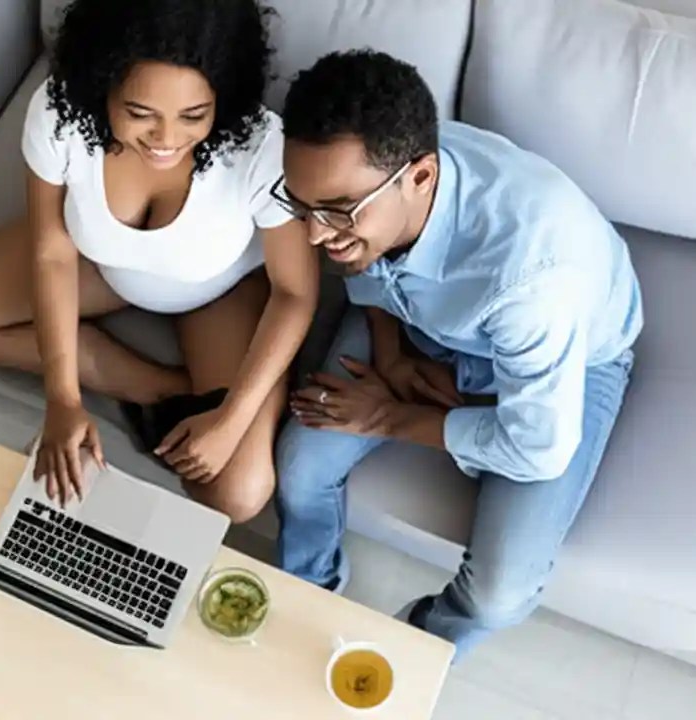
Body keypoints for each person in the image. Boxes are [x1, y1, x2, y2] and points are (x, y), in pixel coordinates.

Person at [271, 50, 643, 657]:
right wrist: (389, 360)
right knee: (300, 467)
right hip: (422, 324)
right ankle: (305, 600)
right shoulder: (381, 180)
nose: (312, 235)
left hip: (570, 357)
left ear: (420, 177)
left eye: (336, 211)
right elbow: (367, 265)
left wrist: (388, 415)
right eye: (300, 205)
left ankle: (417, 652)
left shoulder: (534, 278)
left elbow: (535, 446)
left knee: (501, 590)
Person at [0, 0, 316, 522]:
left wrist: (230, 418)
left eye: (193, 116)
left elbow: (295, 293)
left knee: (236, 494)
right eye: (140, 114)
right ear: (102, 82)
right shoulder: (60, 111)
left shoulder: (263, 147)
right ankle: (155, 388)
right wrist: (61, 397)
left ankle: (184, 395)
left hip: (218, 290)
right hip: (100, 262)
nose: (166, 140)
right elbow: (52, 249)